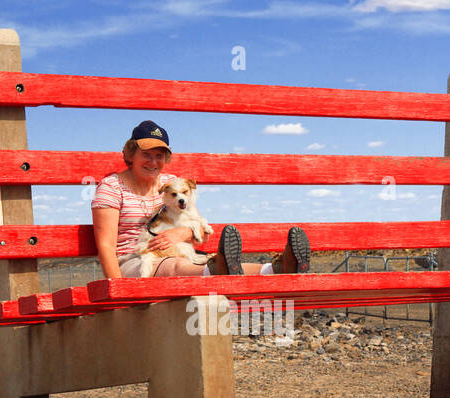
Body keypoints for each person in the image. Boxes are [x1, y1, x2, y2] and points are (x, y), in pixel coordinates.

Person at [91, 120, 310, 279]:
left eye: (159, 156)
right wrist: (117, 290)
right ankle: (216, 271)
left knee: (210, 260)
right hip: (134, 260)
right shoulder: (112, 187)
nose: (153, 161)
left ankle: (278, 269)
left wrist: (183, 232)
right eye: (146, 154)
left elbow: (201, 233)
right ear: (131, 154)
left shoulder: (173, 184)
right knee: (178, 265)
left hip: (177, 251)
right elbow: (106, 245)